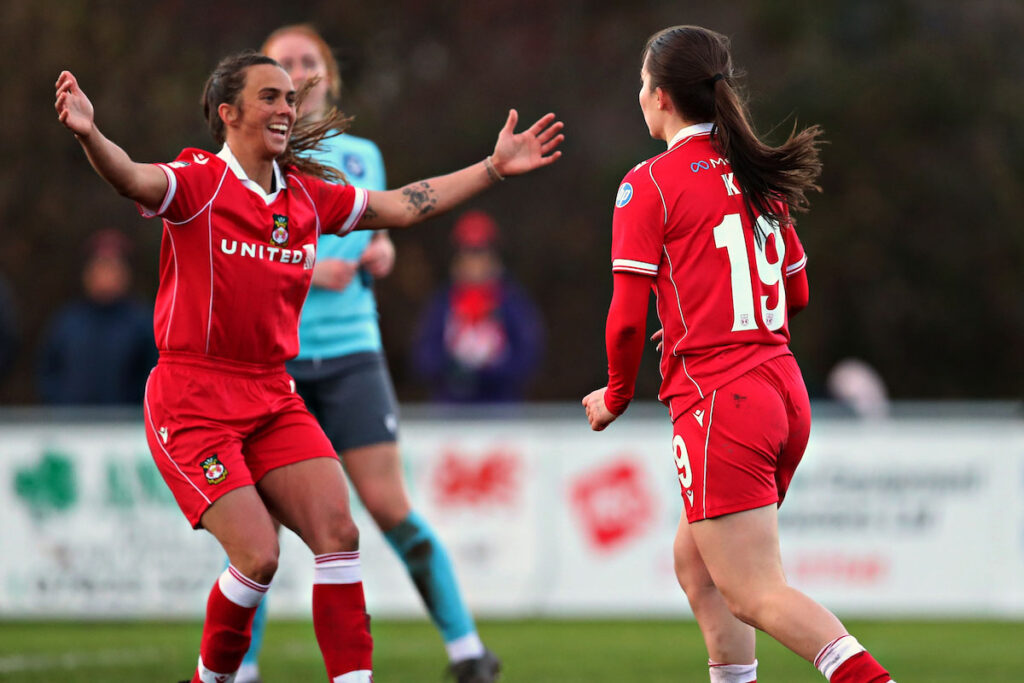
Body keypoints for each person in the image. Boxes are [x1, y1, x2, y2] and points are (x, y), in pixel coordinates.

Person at [55, 50, 562, 683]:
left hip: (271, 393)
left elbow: (402, 206)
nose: (287, 109)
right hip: (192, 397)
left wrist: (493, 168)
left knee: (338, 531)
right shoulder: (196, 182)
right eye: (270, 96)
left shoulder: (305, 198)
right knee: (259, 557)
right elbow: (131, 176)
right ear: (228, 112)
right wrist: (90, 133)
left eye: (291, 98)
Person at [581, 25, 895, 683]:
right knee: (698, 565)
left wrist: (614, 394)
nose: (640, 94)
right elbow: (796, 291)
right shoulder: (757, 175)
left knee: (756, 591)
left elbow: (625, 323)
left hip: (724, 400)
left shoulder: (649, 184)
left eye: (643, 83)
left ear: (661, 96)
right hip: (783, 392)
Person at [212, 24, 502, 683]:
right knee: (261, 528)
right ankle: (240, 667)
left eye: (308, 61)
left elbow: (384, 222)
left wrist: (384, 252)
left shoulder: (360, 154)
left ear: (329, 77)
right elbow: (233, 255)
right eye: (283, 63)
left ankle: (467, 650)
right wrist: (310, 272)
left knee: (389, 506)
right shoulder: (248, 163)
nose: (298, 72)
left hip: (350, 356)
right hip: (274, 362)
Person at [412, 210, 544, 403]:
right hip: (450, 405)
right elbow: (423, 356)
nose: (474, 261)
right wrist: (451, 369)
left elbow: (528, 355)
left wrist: (490, 374)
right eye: (467, 252)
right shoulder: (442, 302)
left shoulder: (512, 302)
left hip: (500, 405)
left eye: (480, 251)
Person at [37, 229, 157, 405]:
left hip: (125, 427)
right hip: (70, 426)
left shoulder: (142, 323)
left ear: (126, 274)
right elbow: (47, 372)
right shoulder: (67, 321)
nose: (106, 275)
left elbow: (151, 375)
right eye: (100, 267)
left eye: (113, 268)